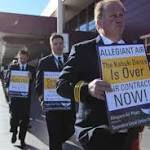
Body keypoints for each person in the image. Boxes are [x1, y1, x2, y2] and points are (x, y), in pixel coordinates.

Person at [56, 0, 143, 150]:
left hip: (128, 136)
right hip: (95, 135)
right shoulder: (83, 50)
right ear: (99, 23)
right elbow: (61, 85)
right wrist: (87, 89)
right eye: (113, 16)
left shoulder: (135, 51)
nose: (119, 18)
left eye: (121, 15)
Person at [36, 33, 75, 150]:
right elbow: (39, 84)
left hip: (68, 105)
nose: (58, 46)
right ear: (51, 45)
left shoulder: (70, 60)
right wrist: (42, 99)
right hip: (51, 106)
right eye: (55, 44)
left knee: (69, 130)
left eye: (60, 43)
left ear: (64, 45)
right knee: (54, 138)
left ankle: (60, 139)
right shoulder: (44, 62)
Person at [6, 49, 35, 149]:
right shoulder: (12, 67)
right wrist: (8, 83)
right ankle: (14, 132)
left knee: (25, 121)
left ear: (27, 58)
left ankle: (22, 139)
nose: (22, 60)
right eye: (20, 58)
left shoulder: (31, 69)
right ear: (18, 58)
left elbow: (35, 81)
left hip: (25, 100)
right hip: (15, 98)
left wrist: (31, 78)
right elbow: (7, 79)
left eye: (24, 58)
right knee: (14, 118)